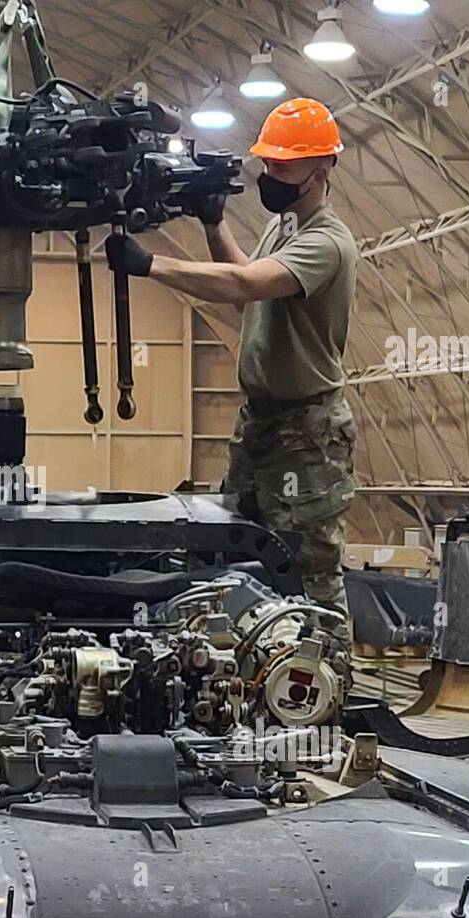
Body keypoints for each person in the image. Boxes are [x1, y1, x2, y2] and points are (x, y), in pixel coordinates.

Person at [104, 98, 358, 631]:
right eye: (268, 164)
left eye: (284, 167)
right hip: (262, 424)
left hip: (306, 432)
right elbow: (247, 288)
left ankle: (328, 689)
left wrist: (151, 264)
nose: (272, 175)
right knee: (241, 553)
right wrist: (213, 224)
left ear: (322, 169)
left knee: (310, 571)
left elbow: (246, 285)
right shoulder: (285, 226)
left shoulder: (327, 241)